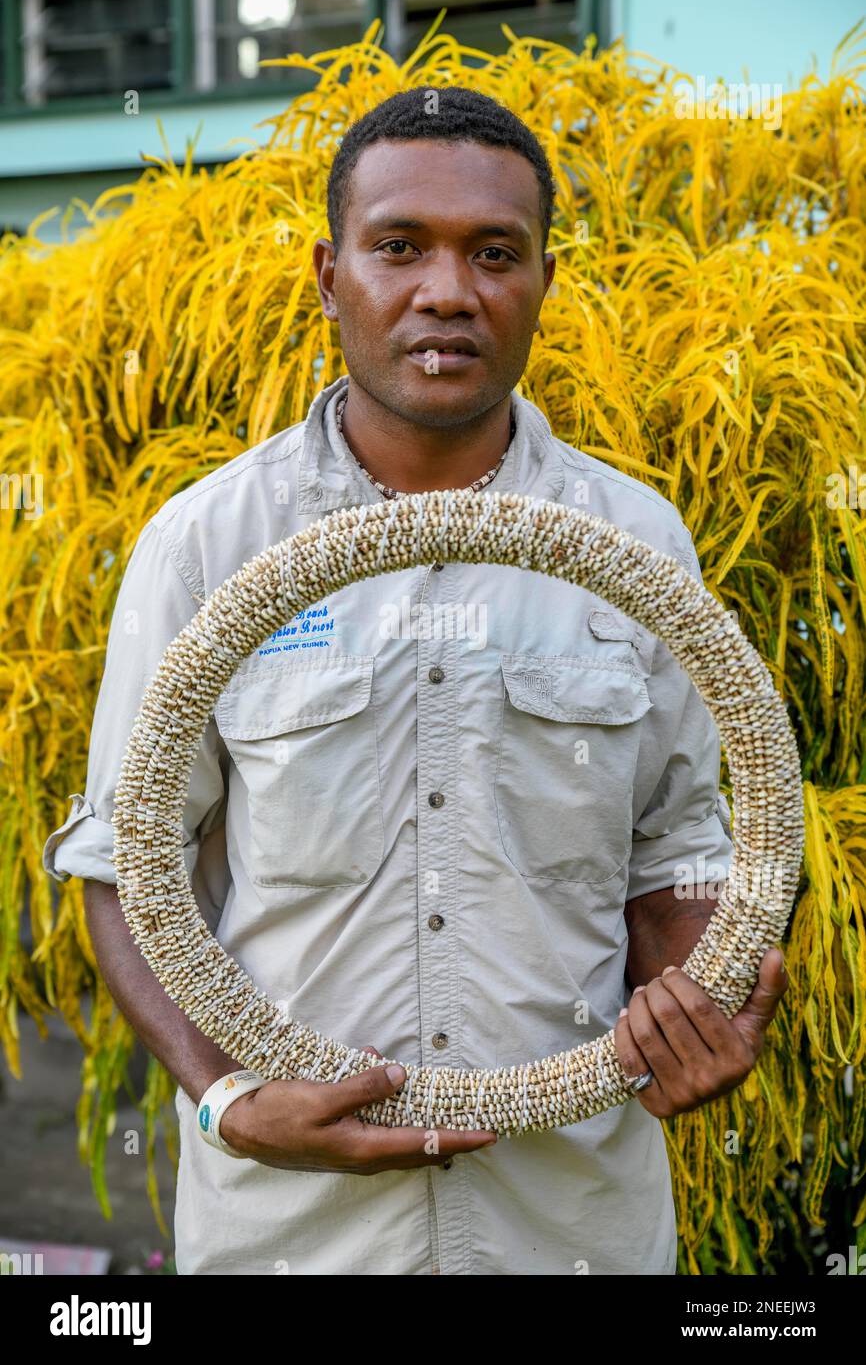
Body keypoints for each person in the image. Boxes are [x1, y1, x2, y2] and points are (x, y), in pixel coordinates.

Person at [42, 86, 787, 1275]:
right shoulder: (204, 543)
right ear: (329, 274)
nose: (447, 290)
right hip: (291, 1236)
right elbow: (125, 867)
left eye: (494, 253)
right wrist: (226, 1098)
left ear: (543, 280)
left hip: (570, 1227)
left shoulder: (637, 543)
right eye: (400, 248)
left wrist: (707, 996)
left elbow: (678, 848)